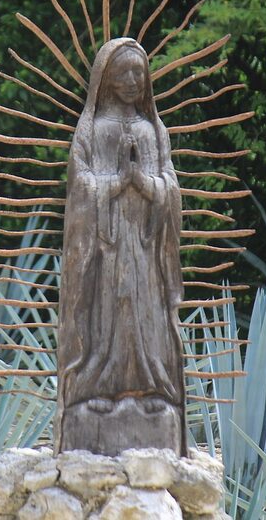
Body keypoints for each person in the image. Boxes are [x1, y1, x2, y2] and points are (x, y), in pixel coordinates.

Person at [56, 38, 185, 455]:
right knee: (109, 310)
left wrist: (145, 185)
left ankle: (150, 390)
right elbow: (81, 189)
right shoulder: (92, 130)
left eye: (138, 73)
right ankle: (100, 387)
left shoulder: (153, 131)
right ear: (105, 79)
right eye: (122, 73)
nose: (132, 80)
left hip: (146, 248)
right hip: (106, 247)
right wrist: (117, 183)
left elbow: (171, 186)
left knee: (146, 312)